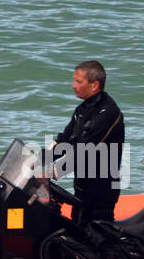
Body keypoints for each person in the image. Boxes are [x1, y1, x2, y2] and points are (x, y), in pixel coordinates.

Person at [50, 60, 123, 227]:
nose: (73, 86)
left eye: (78, 81)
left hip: (101, 191)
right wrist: (40, 159)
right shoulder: (82, 110)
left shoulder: (109, 112)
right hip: (82, 187)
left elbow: (86, 149)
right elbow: (65, 140)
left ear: (94, 85)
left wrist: (55, 170)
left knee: (94, 237)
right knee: (77, 226)